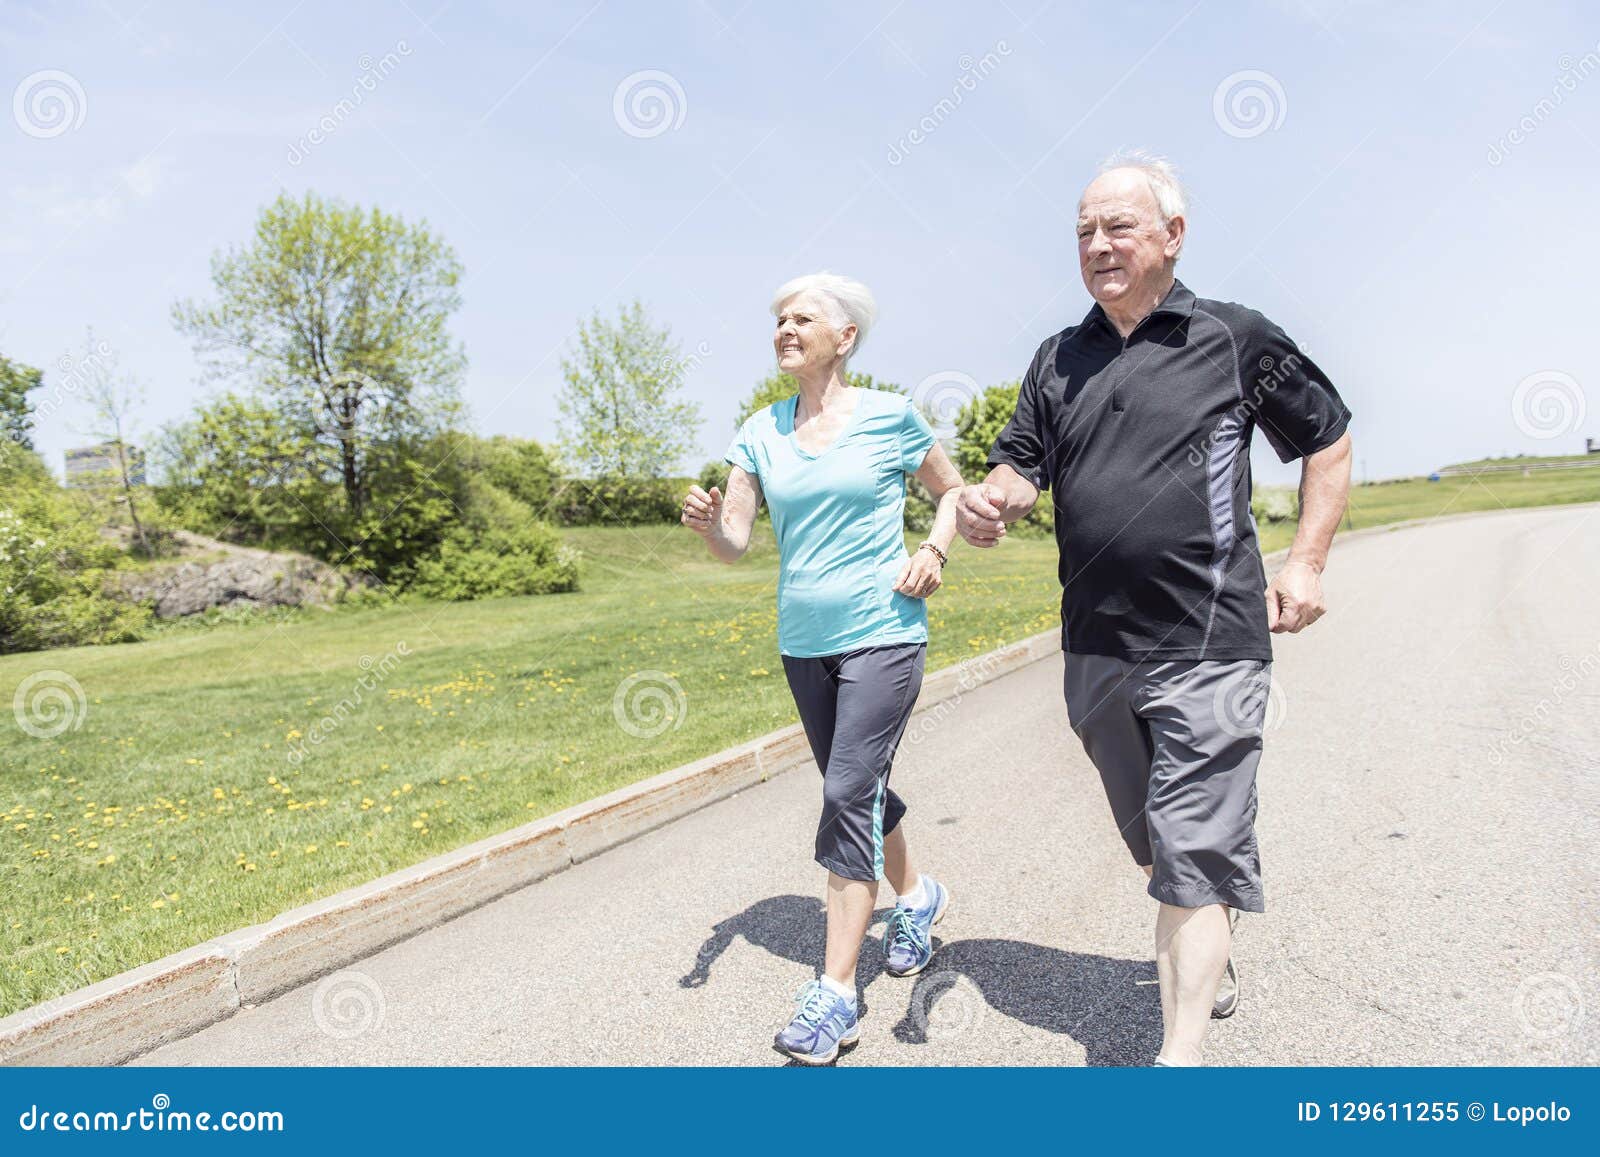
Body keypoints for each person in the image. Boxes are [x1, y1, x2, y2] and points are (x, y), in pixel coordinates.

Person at [957, 151, 1354, 1065]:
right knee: (1155, 842)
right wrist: (996, 501)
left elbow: (1327, 442)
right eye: (1085, 231)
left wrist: (1307, 562)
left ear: (1173, 236)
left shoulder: (1235, 338)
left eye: (1119, 226)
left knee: (1191, 849)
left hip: (1212, 637)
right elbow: (1020, 463)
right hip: (1096, 644)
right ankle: (1205, 917)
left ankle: (1176, 1066)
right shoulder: (1059, 356)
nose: (1098, 245)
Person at [681, 272, 965, 1064]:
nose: (784, 327)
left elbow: (951, 491)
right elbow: (736, 538)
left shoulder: (888, 416)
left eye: (801, 317)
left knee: (846, 790)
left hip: (884, 629)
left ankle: (835, 993)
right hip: (803, 640)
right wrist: (710, 525)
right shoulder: (759, 432)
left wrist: (933, 550)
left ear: (845, 338)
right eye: (777, 317)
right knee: (861, 785)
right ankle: (916, 897)